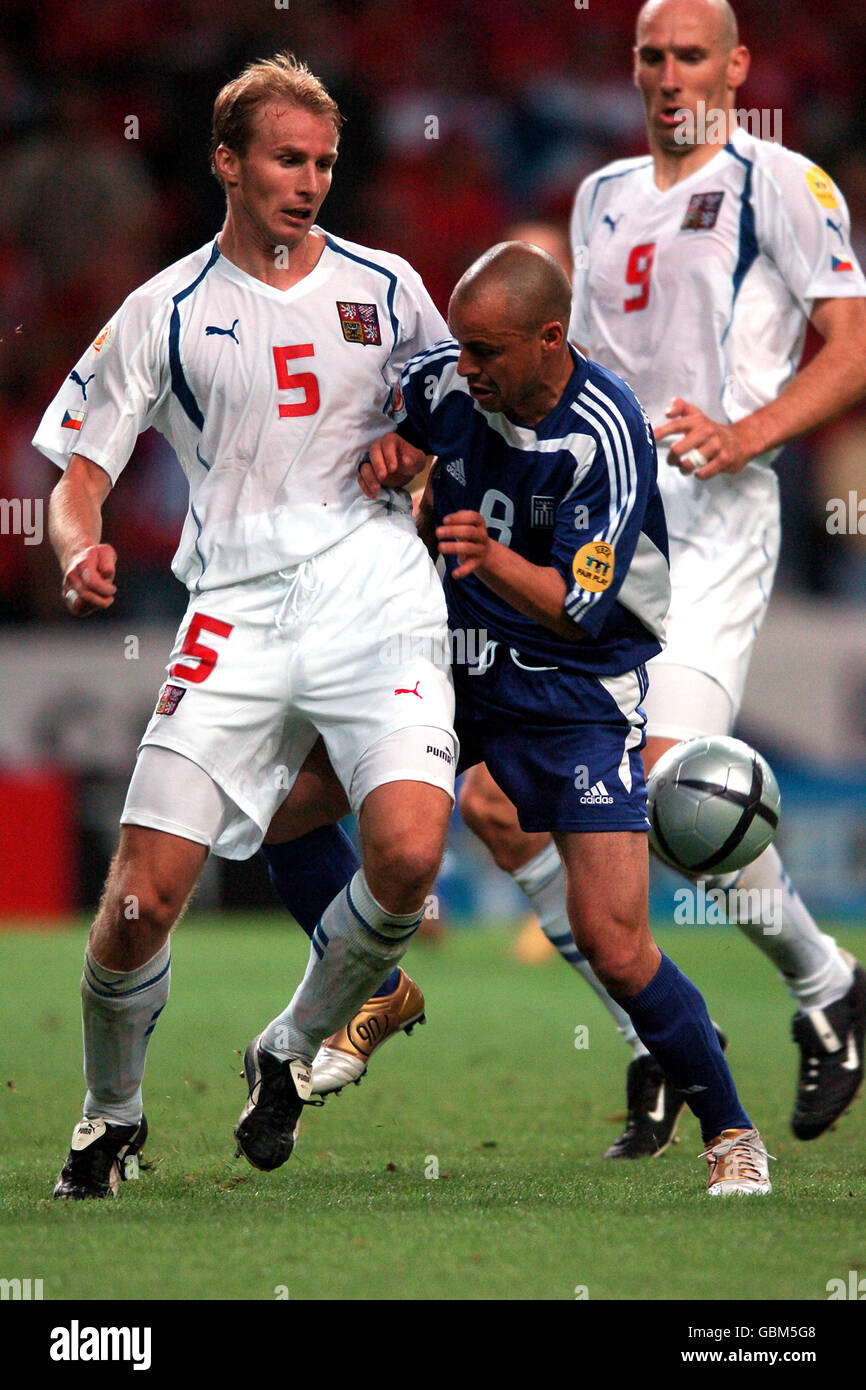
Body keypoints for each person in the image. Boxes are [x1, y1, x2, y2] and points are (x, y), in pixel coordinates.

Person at [37, 52, 458, 1198]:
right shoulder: (161, 311)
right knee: (136, 904)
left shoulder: (391, 285)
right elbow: (78, 476)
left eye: (323, 161)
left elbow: (460, 409)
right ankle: (110, 1114)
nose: (309, 180)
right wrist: (81, 549)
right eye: (285, 158)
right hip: (234, 609)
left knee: (411, 853)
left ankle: (289, 1042)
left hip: (377, 594)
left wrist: (420, 446)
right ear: (226, 161)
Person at [269, 240, 773, 1195]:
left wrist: (486, 553)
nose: (465, 371)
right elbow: (377, 398)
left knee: (617, 941)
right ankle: (376, 990)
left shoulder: (609, 434)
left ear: (550, 341)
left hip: (572, 690)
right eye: (460, 348)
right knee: (284, 811)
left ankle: (733, 1132)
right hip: (447, 667)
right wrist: (399, 446)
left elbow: (583, 606)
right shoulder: (458, 379)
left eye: (487, 353)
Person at [457, 0, 866, 1157]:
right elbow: (565, 370)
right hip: (602, 526)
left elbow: (851, 344)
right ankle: (653, 1033)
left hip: (715, 526)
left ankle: (822, 980)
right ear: (630, 66)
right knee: (494, 799)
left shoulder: (783, 182)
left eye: (692, 53)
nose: (669, 74)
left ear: (736, 65)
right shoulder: (596, 197)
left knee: (664, 781)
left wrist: (746, 433)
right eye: (650, 54)